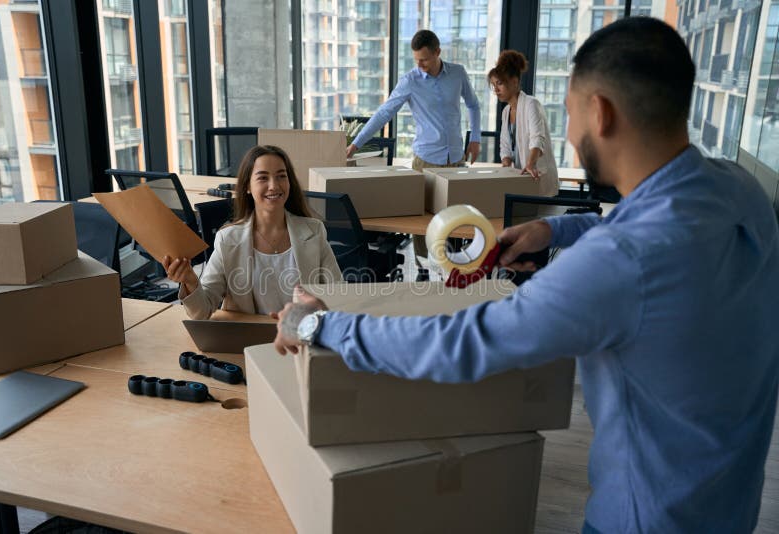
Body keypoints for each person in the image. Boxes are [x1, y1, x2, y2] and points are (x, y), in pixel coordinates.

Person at [274, 17, 779, 533]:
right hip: (730, 506)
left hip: (644, 521)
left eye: (571, 115)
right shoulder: (738, 188)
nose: (572, 137)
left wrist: (319, 325)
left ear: (600, 113)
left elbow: (464, 344)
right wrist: (553, 230)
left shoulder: (619, 262)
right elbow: (650, 224)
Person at [163, 145, 342, 318]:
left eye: (281, 176)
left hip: (301, 333)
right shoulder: (228, 240)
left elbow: (339, 294)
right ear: (247, 186)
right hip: (248, 336)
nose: (274, 185)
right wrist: (190, 281)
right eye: (263, 178)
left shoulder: (314, 231)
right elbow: (201, 311)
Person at [346, 29, 482, 169]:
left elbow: (473, 105)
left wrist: (475, 138)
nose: (419, 65)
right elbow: (384, 113)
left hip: (456, 158)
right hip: (426, 161)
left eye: (424, 60)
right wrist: (356, 144)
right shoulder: (409, 81)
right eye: (416, 60)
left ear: (437, 52)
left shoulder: (458, 73)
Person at [489, 50, 559, 197]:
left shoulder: (531, 104)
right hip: (521, 178)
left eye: (499, 83)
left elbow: (537, 139)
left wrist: (530, 164)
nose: (496, 90)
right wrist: (505, 164)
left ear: (514, 82)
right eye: (493, 85)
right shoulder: (506, 111)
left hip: (537, 176)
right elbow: (505, 145)